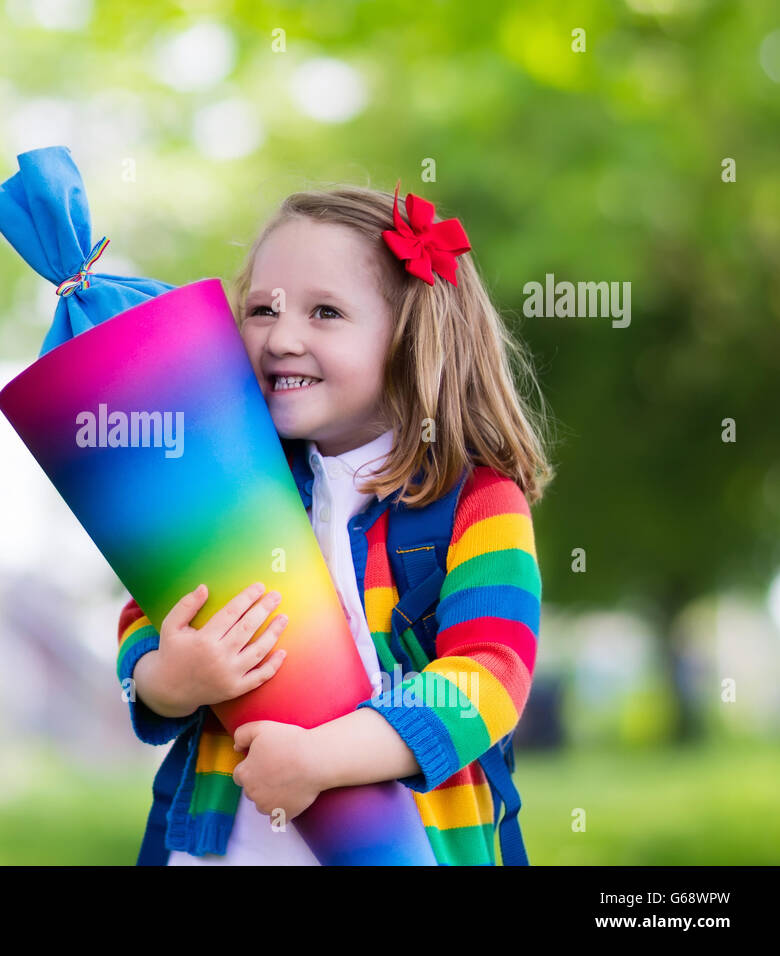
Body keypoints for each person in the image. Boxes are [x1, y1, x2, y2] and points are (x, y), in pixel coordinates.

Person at [115, 183, 555, 865]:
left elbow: (490, 674)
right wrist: (170, 679)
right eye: (263, 310)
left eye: (325, 312)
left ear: (412, 338)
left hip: (411, 843)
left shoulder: (476, 500)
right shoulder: (229, 483)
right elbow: (147, 611)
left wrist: (321, 757)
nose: (282, 337)